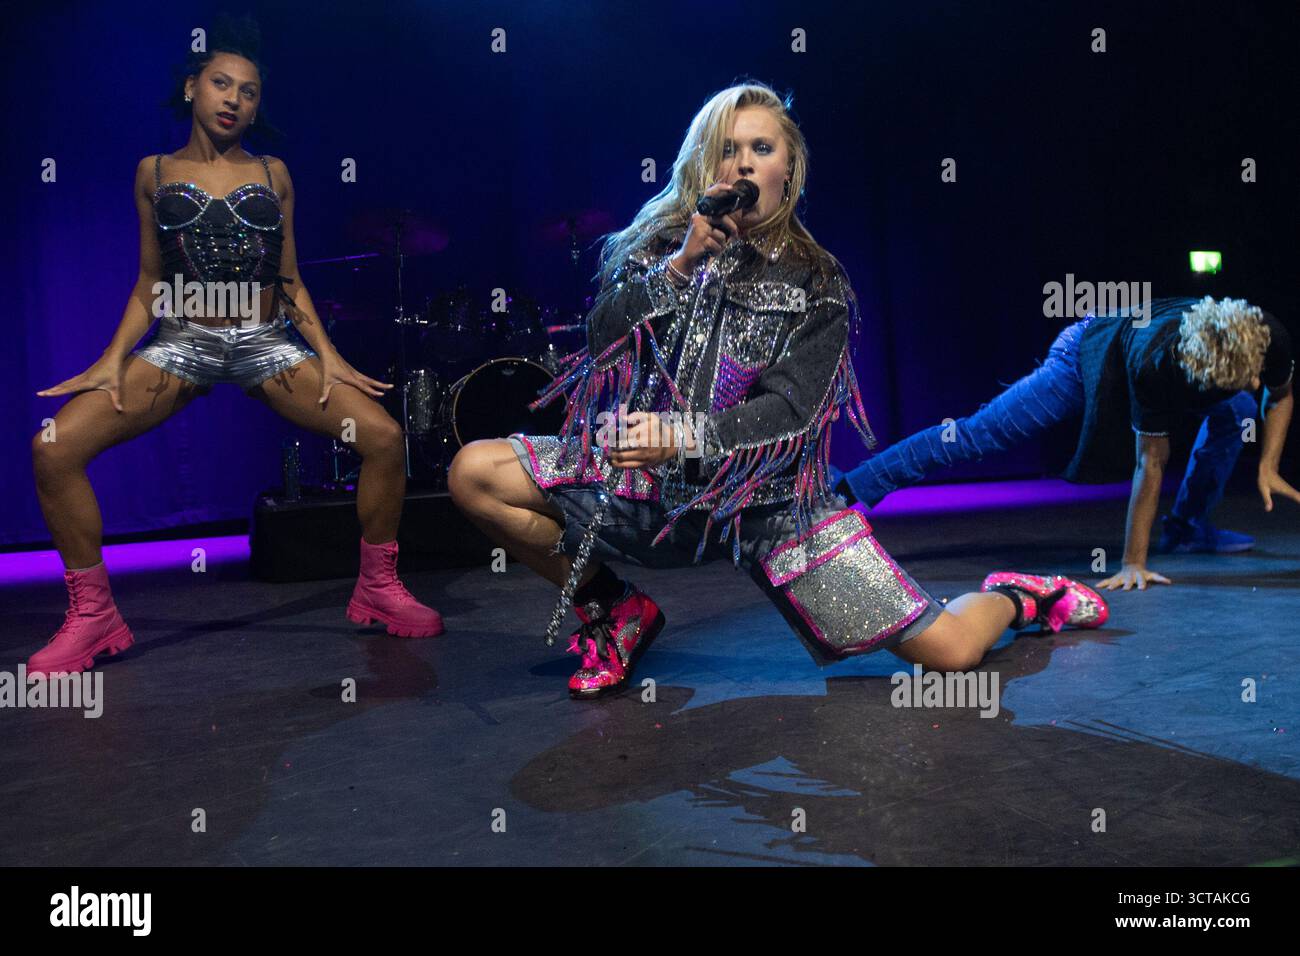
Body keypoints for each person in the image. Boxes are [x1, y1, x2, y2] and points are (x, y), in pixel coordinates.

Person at [448, 82, 1107, 700]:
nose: (742, 164)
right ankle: (615, 611)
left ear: (786, 169)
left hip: (769, 510)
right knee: (475, 472)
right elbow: (600, 344)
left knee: (953, 654)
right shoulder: (656, 249)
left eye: (761, 149)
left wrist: (681, 437)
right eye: (727, 150)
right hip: (642, 490)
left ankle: (1020, 596)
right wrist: (680, 268)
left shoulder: (816, 280)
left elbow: (792, 413)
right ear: (705, 166)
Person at [29, 23, 442, 677]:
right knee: (54, 449)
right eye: (221, 84)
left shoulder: (273, 173)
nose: (234, 100)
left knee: (385, 439)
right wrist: (114, 355)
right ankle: (93, 615)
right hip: (181, 342)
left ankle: (377, 590)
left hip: (265, 341)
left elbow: (291, 279)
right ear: (192, 88)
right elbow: (149, 282)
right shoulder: (154, 172)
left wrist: (328, 356)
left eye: (248, 93)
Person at [832, 296, 1297, 591]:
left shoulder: (1263, 334)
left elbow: (1279, 394)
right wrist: (1134, 563)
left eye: (1253, 372)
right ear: (1195, 372)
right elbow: (1150, 464)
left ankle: (1187, 528)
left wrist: (1269, 464)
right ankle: (846, 488)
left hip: (1140, 353)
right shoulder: (1158, 362)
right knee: (979, 433)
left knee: (1237, 411)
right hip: (1086, 357)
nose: (1256, 379)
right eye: (1242, 379)